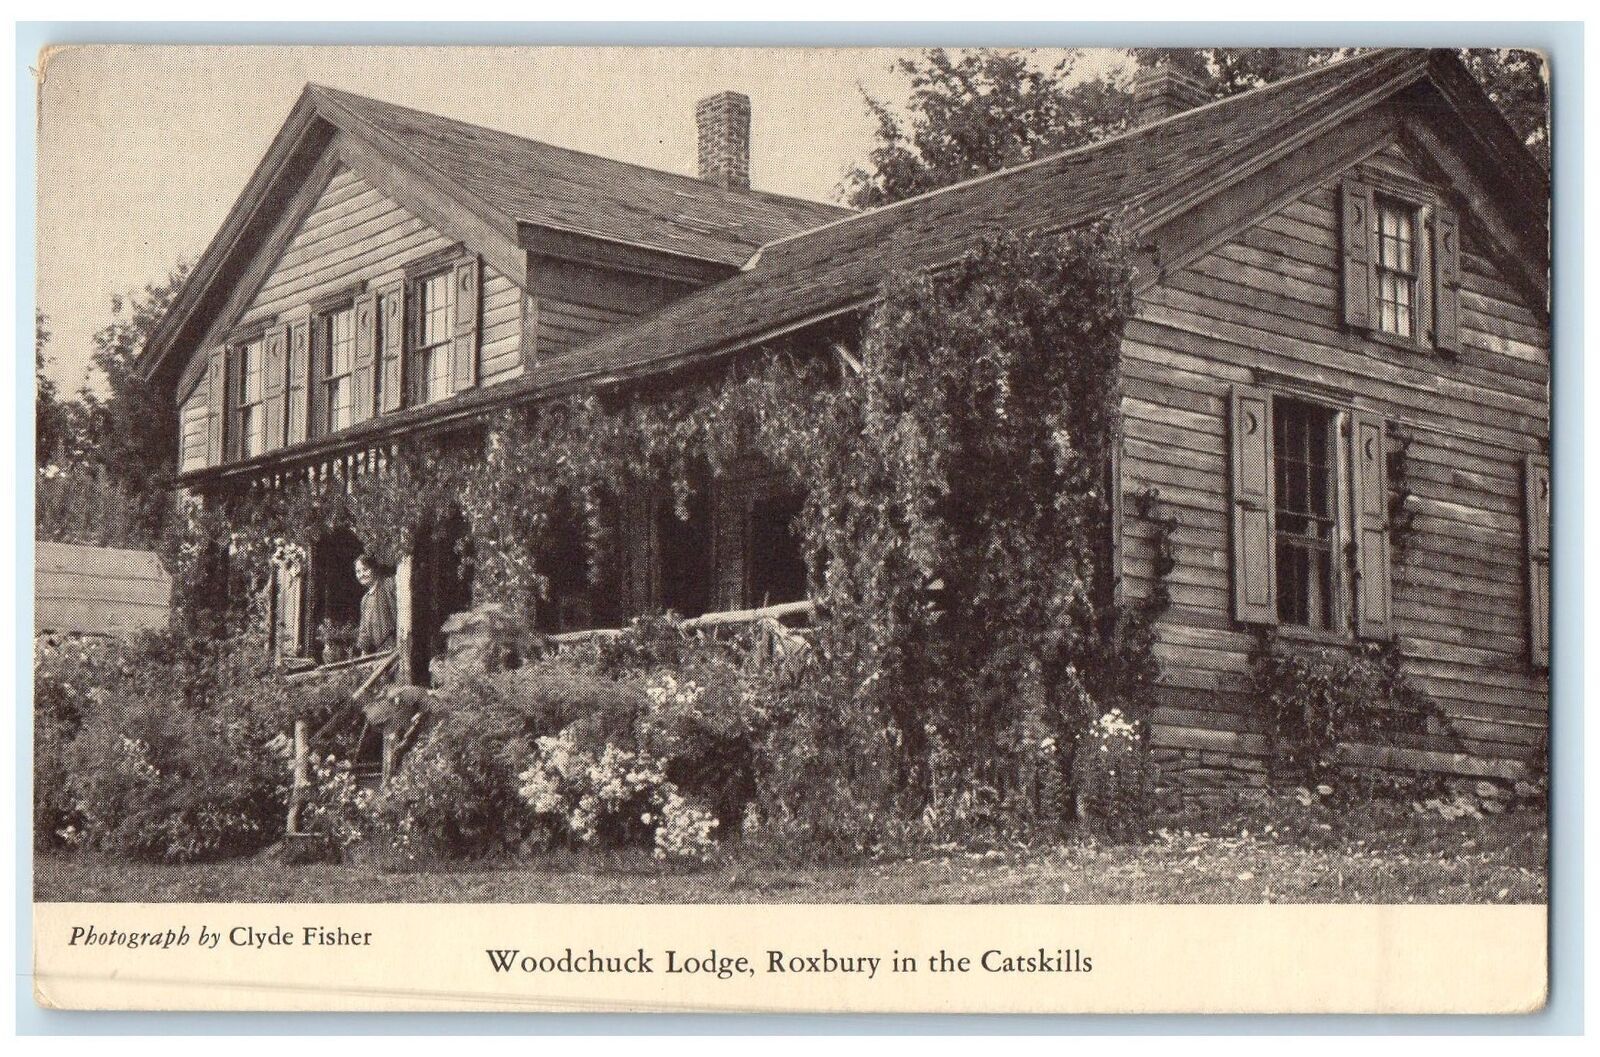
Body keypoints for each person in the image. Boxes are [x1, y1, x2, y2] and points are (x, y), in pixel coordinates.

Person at [353, 553, 397, 656]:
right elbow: (364, 630)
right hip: (380, 653)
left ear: (374, 569)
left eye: (365, 569)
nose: (361, 574)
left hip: (395, 648)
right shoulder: (365, 600)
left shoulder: (388, 585)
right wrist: (363, 653)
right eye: (358, 571)